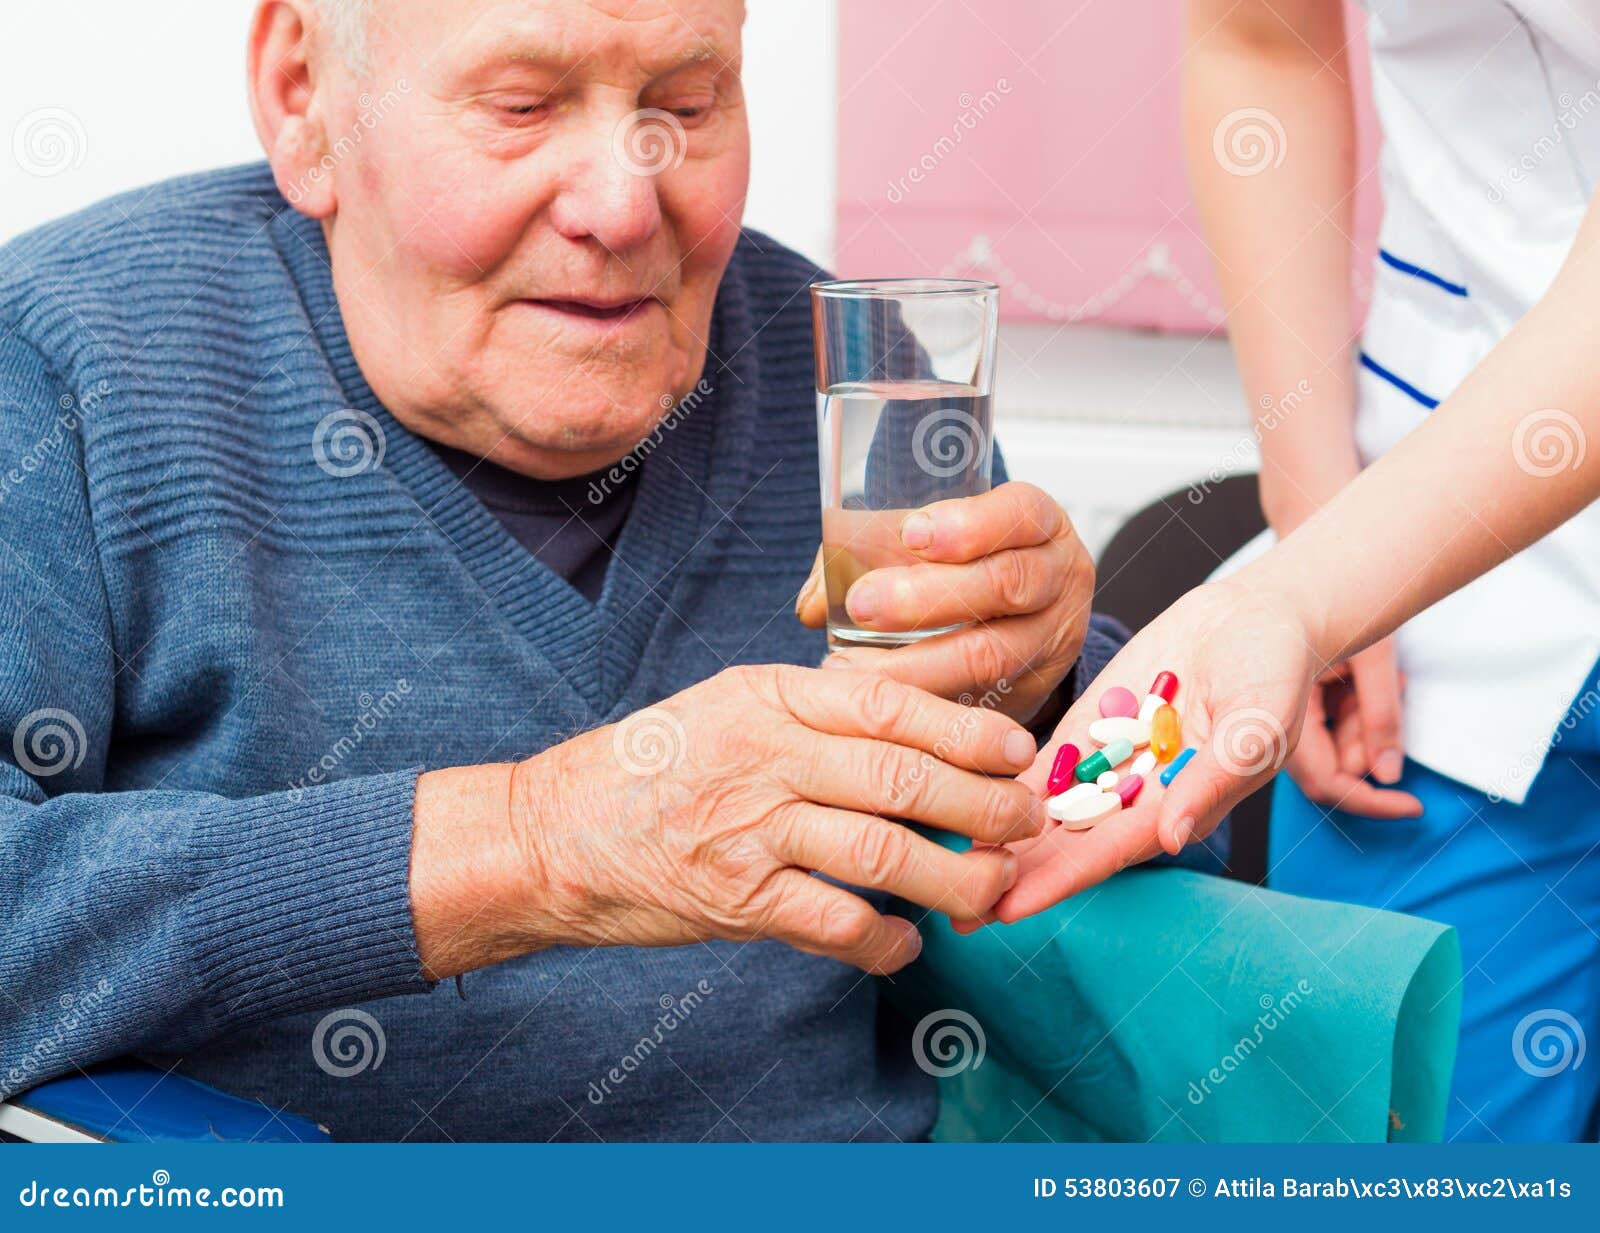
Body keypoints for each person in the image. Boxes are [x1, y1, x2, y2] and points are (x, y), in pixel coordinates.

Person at [0, 0, 1116, 1141]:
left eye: (685, 106)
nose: (626, 206)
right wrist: (535, 843)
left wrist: (1053, 686)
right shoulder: (59, 369)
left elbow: (1072, 829)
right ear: (305, 98)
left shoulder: (844, 373)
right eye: (521, 108)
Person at [984, 0, 1600, 1142]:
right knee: (1363, 1138)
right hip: (1435, 589)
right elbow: (1259, 37)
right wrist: (1320, 524)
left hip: (1401, 550)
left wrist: (1305, 590)